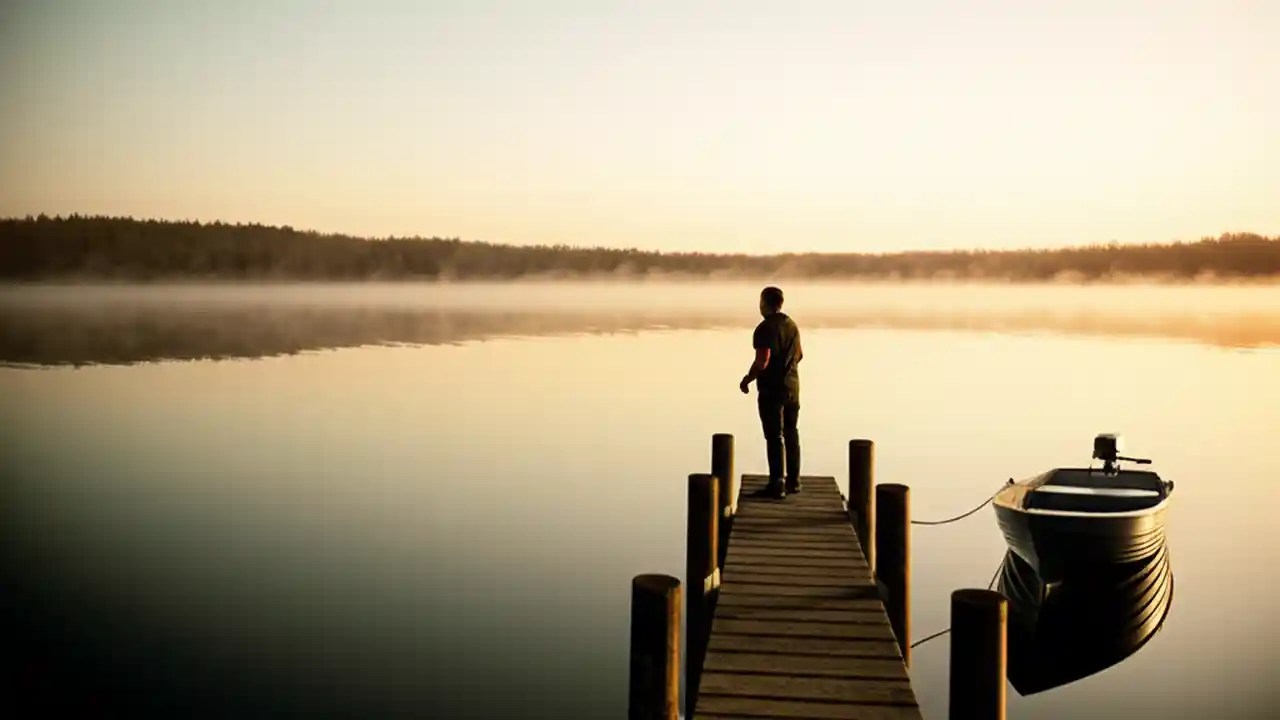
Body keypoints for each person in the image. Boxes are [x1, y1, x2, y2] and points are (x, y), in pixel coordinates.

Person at [739, 286, 803, 499]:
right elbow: (800, 355)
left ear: (765, 303)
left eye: (761, 302)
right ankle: (794, 481)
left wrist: (748, 379)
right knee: (791, 432)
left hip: (772, 390)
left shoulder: (764, 328)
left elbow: (762, 361)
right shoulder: (791, 325)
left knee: (774, 436)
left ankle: (777, 483)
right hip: (793, 388)